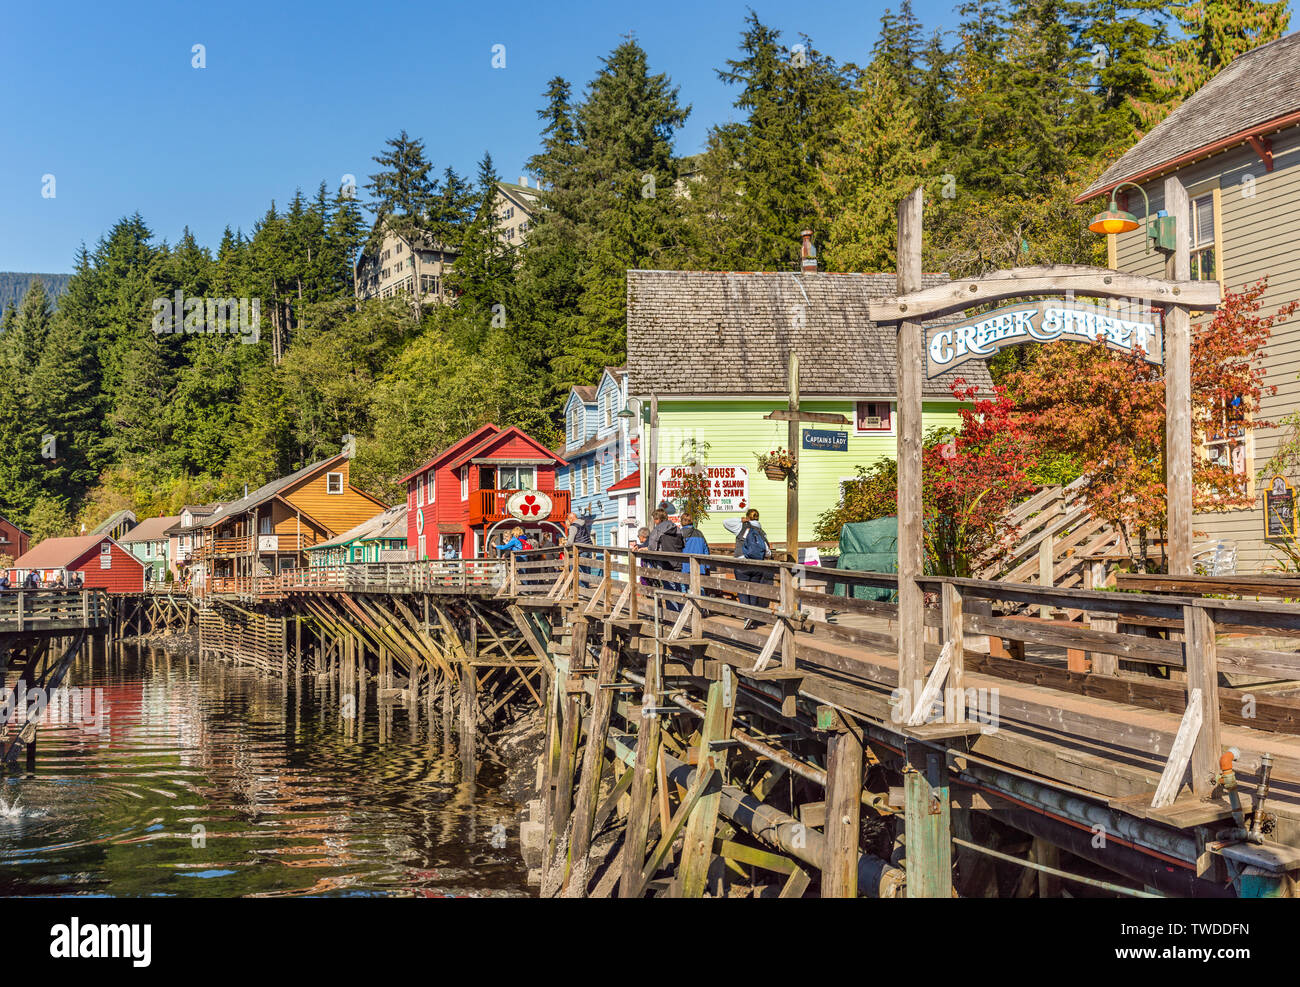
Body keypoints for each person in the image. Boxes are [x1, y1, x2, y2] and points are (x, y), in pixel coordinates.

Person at [724, 508, 772, 628]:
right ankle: (753, 616)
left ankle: (747, 617)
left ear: (747, 517)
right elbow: (768, 553)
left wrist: (741, 519)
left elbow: (726, 522)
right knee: (753, 591)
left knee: (743, 591)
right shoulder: (761, 531)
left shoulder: (741, 527)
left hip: (742, 563)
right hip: (757, 565)